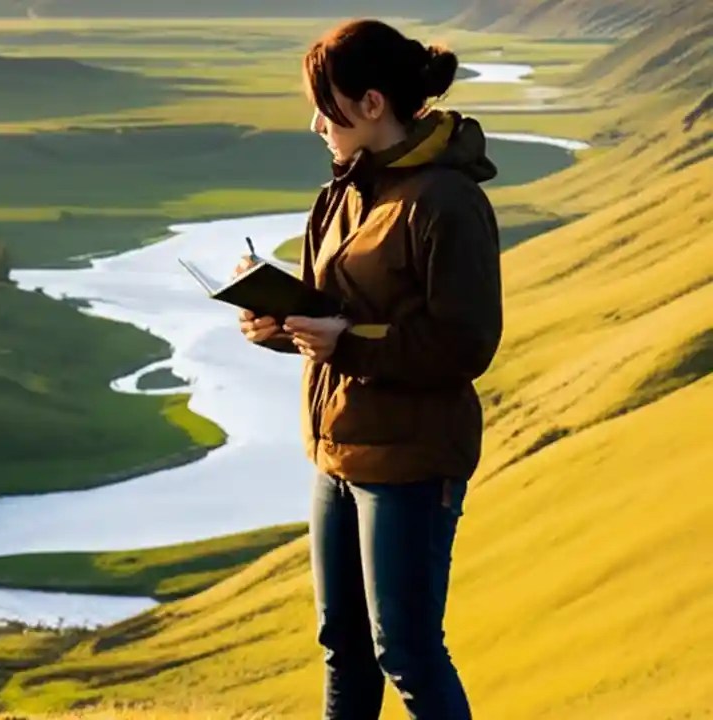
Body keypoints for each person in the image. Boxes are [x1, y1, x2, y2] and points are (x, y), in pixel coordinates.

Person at [235, 18, 503, 720]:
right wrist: (275, 323)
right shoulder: (343, 192)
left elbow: (465, 345)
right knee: (343, 648)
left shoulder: (447, 203)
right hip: (336, 454)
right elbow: (332, 314)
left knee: (407, 652)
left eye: (326, 107)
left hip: (411, 463)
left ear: (372, 104)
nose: (316, 124)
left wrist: (345, 344)